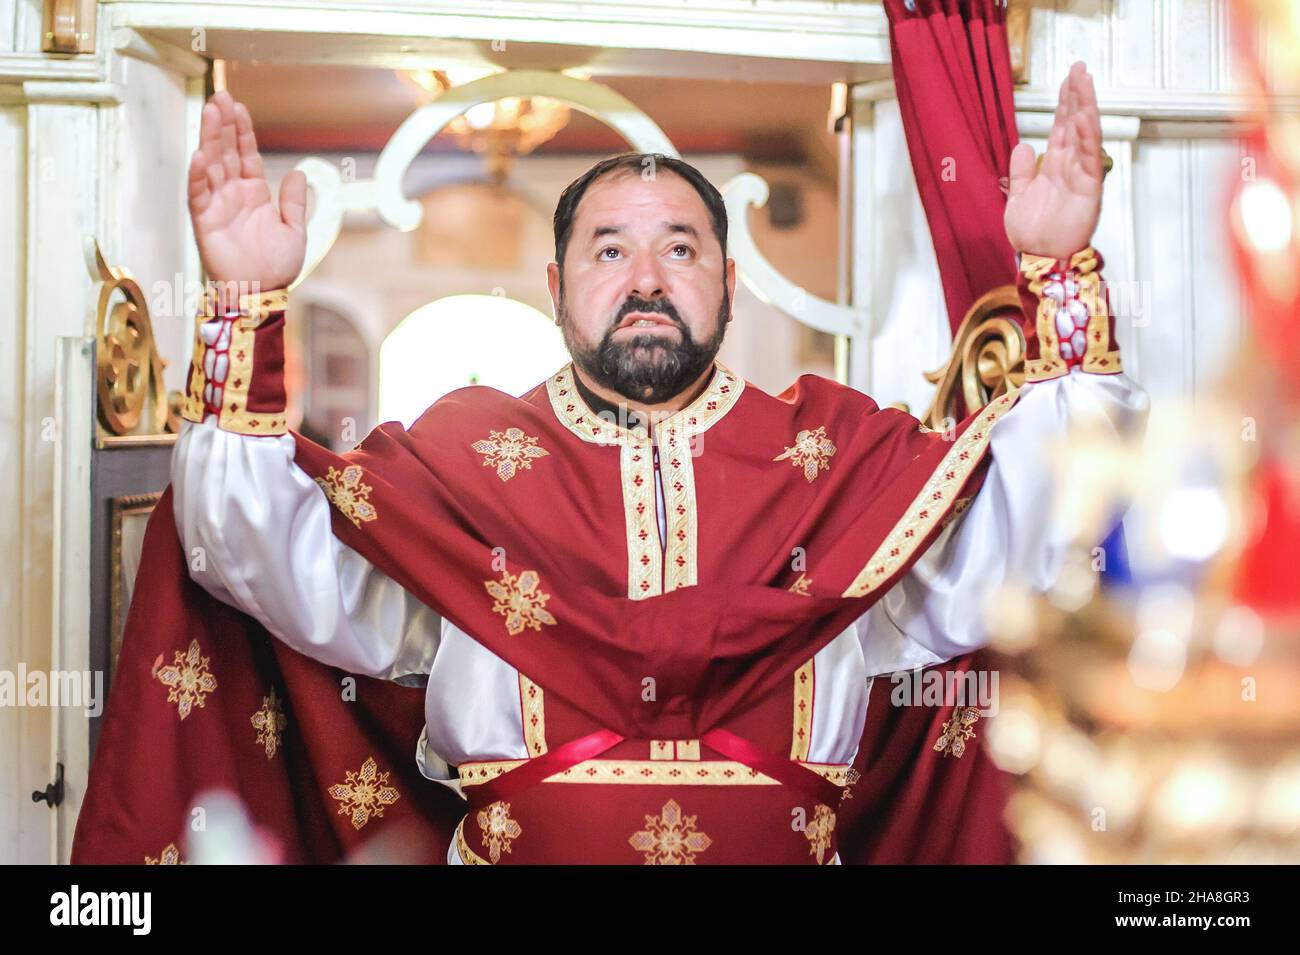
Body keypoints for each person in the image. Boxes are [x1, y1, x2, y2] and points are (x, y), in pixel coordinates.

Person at [161, 62, 1144, 865]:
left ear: (729, 285)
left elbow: (1039, 527)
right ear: (554, 287)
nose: (643, 280)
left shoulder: (840, 460)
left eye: (680, 250)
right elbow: (254, 555)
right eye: (608, 252)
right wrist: (246, 298)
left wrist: (1060, 274)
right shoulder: (457, 465)